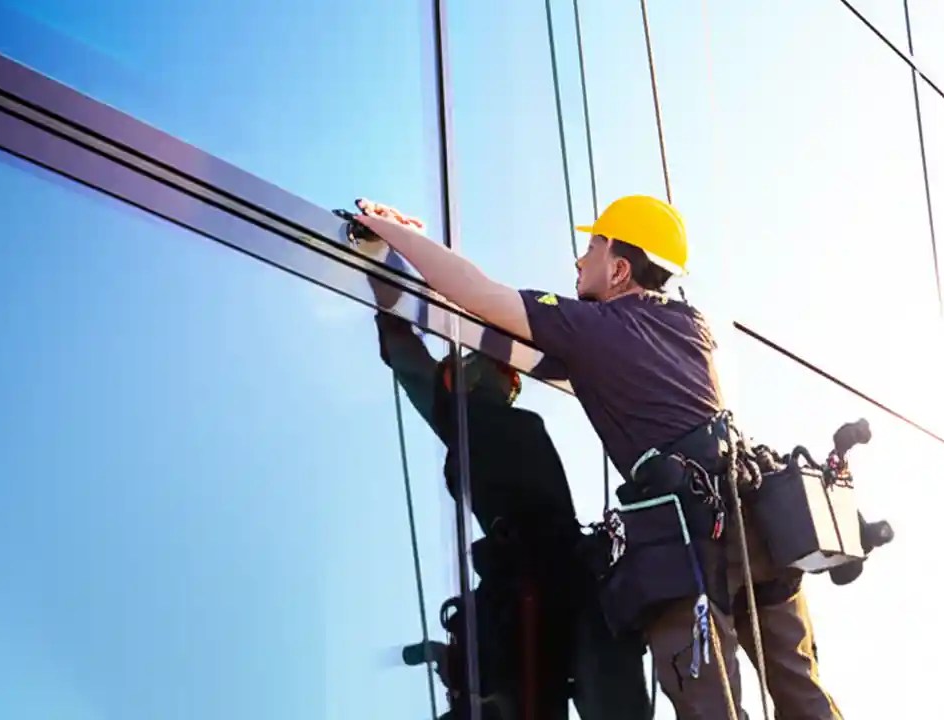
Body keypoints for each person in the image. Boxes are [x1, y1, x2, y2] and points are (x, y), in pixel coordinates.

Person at [354, 196, 843, 719]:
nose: (578, 261)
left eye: (592, 247)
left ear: (619, 268)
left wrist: (389, 234)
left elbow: (476, 294)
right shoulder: (692, 326)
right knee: (804, 695)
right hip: (755, 528)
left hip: (691, 543)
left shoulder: (596, 329)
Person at [374, 306, 652, 720]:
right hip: (544, 574)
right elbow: (411, 365)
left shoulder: (478, 422)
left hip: (549, 573)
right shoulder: (471, 419)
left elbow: (411, 365)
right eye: (504, 373)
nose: (509, 383)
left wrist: (388, 306)